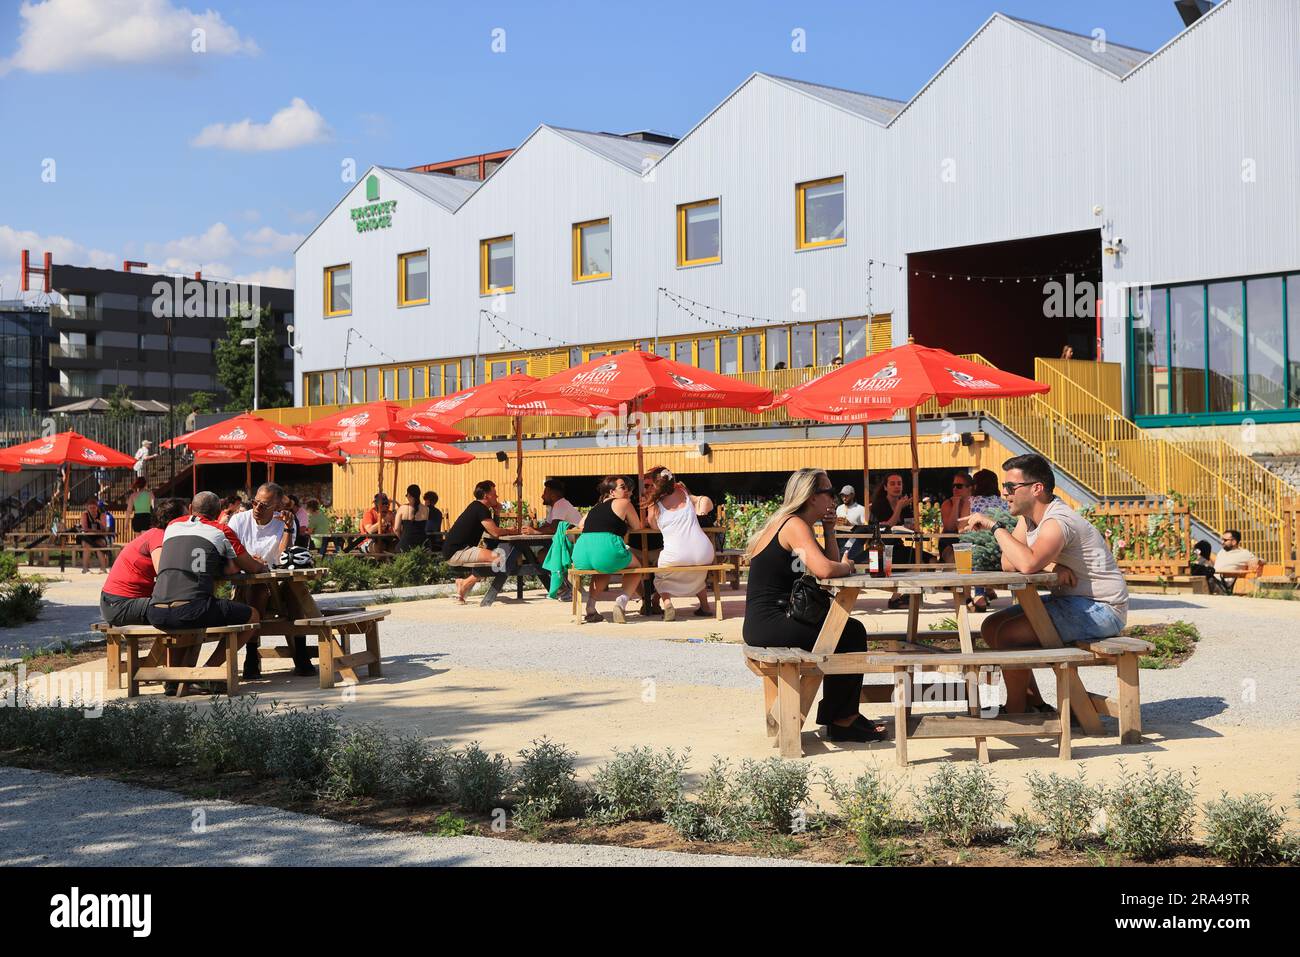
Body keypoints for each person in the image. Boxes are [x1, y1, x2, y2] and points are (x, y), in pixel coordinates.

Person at [961, 453, 1129, 714]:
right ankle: (1034, 703)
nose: (1005, 493)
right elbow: (1009, 563)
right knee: (991, 626)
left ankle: (1016, 710)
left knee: (1008, 635)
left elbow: (1026, 564)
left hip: (1102, 608)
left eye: (1010, 487)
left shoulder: (1056, 522)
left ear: (1036, 488)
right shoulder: (1028, 519)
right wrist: (1051, 565)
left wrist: (995, 528)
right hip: (1074, 602)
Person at [743, 468, 886, 743]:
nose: (835, 498)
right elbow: (825, 570)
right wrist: (847, 566)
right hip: (772, 623)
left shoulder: (794, 524)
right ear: (811, 497)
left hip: (766, 622)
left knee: (846, 630)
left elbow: (824, 566)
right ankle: (842, 720)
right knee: (849, 633)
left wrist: (830, 531)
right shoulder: (794, 525)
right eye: (829, 493)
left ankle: (841, 717)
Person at [147, 491, 266, 695]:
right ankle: (207, 674)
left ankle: (173, 680)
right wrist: (259, 564)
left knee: (185, 616)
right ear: (219, 512)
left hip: (156, 610)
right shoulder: (220, 530)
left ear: (192, 509)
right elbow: (250, 567)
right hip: (192, 609)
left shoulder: (172, 526)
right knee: (253, 616)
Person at [227, 483, 302, 679]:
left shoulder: (285, 521)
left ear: (277, 506)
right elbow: (229, 555)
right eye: (255, 503)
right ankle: (252, 655)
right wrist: (250, 563)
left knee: (295, 588)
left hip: (276, 581)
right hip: (247, 584)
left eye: (264, 505)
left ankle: (300, 652)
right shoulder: (238, 520)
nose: (257, 509)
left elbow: (283, 558)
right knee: (258, 589)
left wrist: (288, 529)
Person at [99, 497, 188, 627]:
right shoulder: (159, 535)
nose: (190, 521)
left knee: (187, 611)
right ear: (174, 521)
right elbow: (163, 573)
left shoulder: (163, 536)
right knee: (183, 612)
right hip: (118, 604)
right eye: (186, 517)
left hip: (118, 602)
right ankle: (164, 648)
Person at [571, 475, 645, 623]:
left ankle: (591, 607)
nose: (627, 490)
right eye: (622, 487)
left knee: (604, 568)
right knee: (637, 567)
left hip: (581, 551)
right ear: (612, 492)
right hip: (606, 547)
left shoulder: (596, 507)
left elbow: (580, 524)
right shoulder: (624, 502)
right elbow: (638, 526)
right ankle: (621, 602)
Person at [643, 466, 714, 619]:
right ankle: (705, 606)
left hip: (677, 553)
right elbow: (702, 500)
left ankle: (667, 604)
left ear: (655, 484)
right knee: (698, 573)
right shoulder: (683, 492)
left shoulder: (654, 503)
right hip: (704, 550)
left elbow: (654, 525)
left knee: (661, 574)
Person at [442, 480, 515, 604]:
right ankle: (464, 583)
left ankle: (462, 591)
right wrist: (512, 531)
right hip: (458, 551)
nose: (497, 496)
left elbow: (493, 530)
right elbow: (495, 532)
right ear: (486, 495)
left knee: (494, 559)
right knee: (500, 558)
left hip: (455, 550)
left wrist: (496, 513)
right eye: (494, 493)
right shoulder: (480, 508)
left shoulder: (478, 507)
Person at [965, 468, 1009, 611]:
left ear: (975, 485)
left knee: (973, 546)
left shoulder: (971, 502)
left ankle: (979, 596)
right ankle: (989, 590)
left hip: (980, 549)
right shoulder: (1004, 503)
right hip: (1003, 548)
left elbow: (965, 525)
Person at [835, 484, 869, 563]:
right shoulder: (839, 508)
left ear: (852, 495)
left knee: (851, 560)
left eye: (846, 495)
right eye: (842, 495)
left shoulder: (861, 509)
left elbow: (865, 528)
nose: (844, 498)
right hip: (839, 538)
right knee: (840, 560)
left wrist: (849, 524)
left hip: (854, 539)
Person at [394, 484, 431, 552]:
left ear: (409, 495)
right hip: (422, 544)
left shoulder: (402, 509)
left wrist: (402, 538)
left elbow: (396, 529)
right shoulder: (426, 509)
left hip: (406, 544)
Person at [79, 496, 110, 574]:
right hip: (87, 537)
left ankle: (103, 568)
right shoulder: (84, 515)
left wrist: (100, 523)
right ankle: (85, 568)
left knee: (100, 545)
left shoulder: (102, 515)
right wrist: (96, 530)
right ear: (87, 508)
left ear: (97, 507)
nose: (92, 509)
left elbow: (104, 529)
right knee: (86, 546)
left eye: (94, 507)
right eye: (90, 508)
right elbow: (85, 528)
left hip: (99, 536)